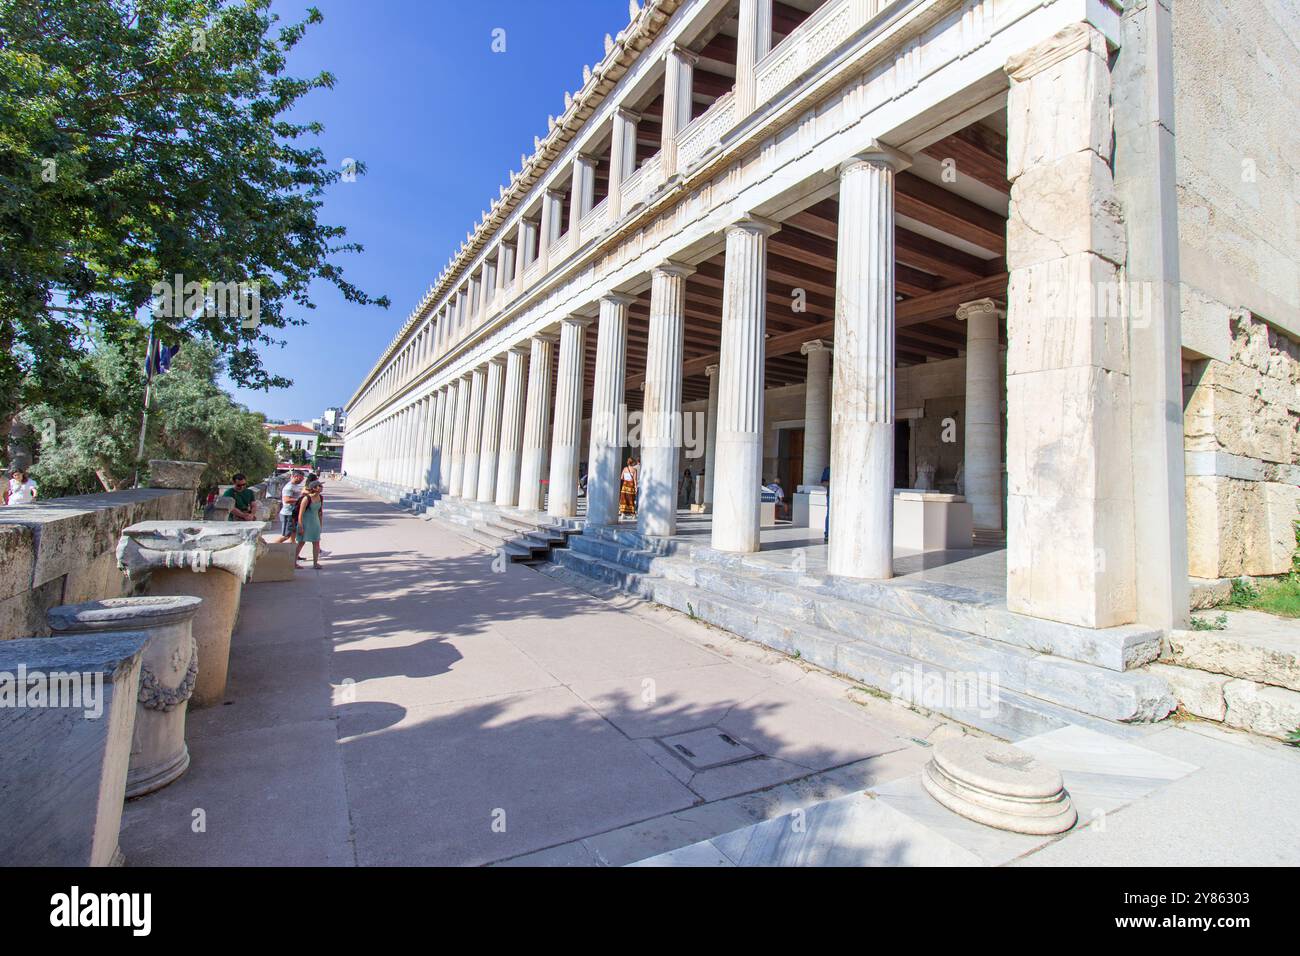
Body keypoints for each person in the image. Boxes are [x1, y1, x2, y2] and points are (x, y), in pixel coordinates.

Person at [294, 480, 325, 568]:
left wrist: (320, 524)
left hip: (315, 522)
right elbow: (300, 514)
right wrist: (300, 526)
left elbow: (320, 512)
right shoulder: (306, 498)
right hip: (305, 522)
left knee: (316, 542)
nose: (321, 487)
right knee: (301, 542)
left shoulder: (321, 497)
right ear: (314, 488)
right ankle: (293, 562)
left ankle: (315, 563)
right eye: (319, 486)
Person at [277, 471, 306, 542]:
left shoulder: (294, 486)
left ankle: (293, 552)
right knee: (285, 535)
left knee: (293, 533)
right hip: (287, 513)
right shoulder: (289, 487)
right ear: (295, 476)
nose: (302, 480)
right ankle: (270, 549)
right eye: (300, 478)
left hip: (293, 513)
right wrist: (300, 501)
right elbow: (286, 499)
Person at [820, 464, 830, 543]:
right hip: (830, 495)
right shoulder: (828, 469)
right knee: (829, 513)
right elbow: (823, 483)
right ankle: (827, 534)